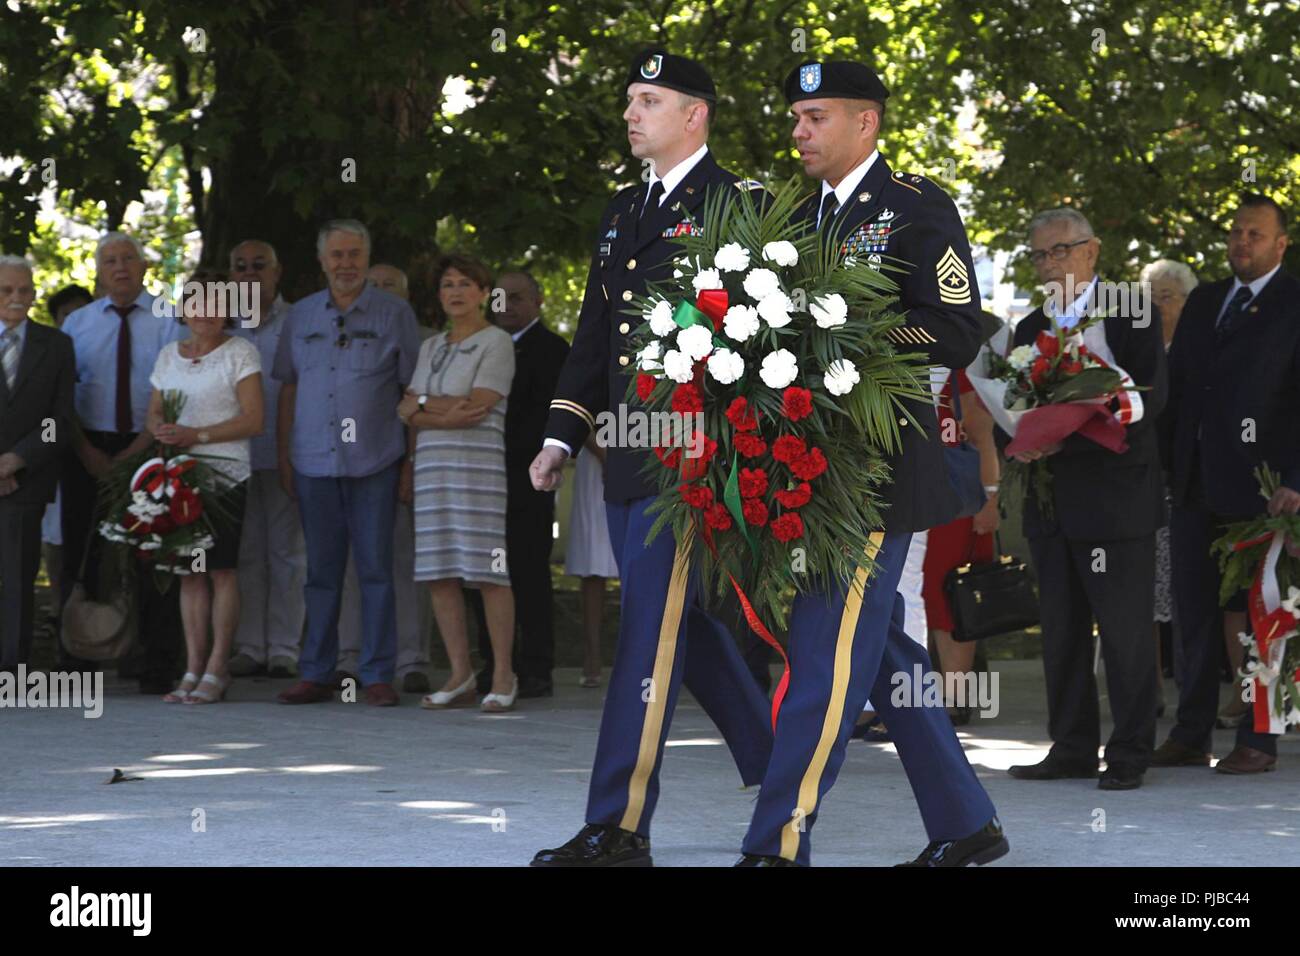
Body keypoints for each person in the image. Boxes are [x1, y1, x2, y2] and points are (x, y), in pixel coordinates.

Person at [729, 60, 1004, 867]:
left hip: (875, 476)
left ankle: (776, 842)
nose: (799, 132)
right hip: (804, 466)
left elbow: (956, 328)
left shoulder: (916, 207)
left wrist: (845, 333)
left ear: (865, 123)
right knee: (881, 652)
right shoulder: (793, 215)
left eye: (816, 117)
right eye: (796, 118)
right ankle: (966, 824)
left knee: (823, 656)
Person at [529, 49, 776, 867]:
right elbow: (596, 337)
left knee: (646, 635)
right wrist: (561, 433)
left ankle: (618, 825)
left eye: (649, 100)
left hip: (696, 459)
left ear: (694, 114)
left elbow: (768, 339)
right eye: (629, 99)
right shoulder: (621, 208)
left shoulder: (741, 205)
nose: (632, 113)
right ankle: (780, 768)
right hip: (629, 456)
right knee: (682, 619)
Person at [1001, 208, 1167, 791]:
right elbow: (1009, 408)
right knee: (1063, 631)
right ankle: (1071, 746)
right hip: (1051, 501)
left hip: (1116, 498)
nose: (1050, 264)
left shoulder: (1132, 309)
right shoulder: (1026, 331)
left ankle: (1129, 752)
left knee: (1123, 634)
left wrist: (1090, 418)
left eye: (1060, 251)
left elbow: (1152, 396)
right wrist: (1021, 442)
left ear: (1092, 252)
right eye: (1040, 255)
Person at [1156, 193, 1300, 774]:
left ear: (1281, 244)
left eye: (1256, 234)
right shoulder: (1206, 301)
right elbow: (1178, 389)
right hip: (1194, 483)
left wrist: (1296, 480)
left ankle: (1259, 738)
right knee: (1192, 612)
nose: (1242, 242)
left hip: (1265, 491)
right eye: (1237, 232)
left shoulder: (1295, 303)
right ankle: (1191, 731)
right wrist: (1166, 466)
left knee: (1263, 612)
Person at [273, 219, 421, 708]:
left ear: (366, 256)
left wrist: (409, 463)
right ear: (321, 261)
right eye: (336, 255)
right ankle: (315, 671)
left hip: (376, 459)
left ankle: (377, 673)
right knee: (320, 571)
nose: (346, 264)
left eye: (354, 254)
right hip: (312, 461)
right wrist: (284, 455)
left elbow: (411, 393)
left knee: (377, 569)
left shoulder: (395, 313)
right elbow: (288, 388)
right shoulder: (299, 316)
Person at [60, 232, 185, 693]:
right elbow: (63, 396)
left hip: (149, 443)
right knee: (83, 550)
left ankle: (155, 662)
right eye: (110, 260)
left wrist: (138, 451)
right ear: (98, 270)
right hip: (86, 446)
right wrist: (86, 451)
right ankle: (79, 658)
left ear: (143, 266)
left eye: (128, 259)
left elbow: (172, 389)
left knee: (152, 554)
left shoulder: (168, 319)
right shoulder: (78, 324)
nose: (120, 267)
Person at [398, 254, 518, 711]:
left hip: (479, 472)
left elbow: (480, 405)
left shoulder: (497, 341)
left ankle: (504, 674)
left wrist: (424, 408)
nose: (455, 291)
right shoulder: (431, 346)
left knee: (489, 572)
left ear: (484, 292)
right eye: (447, 284)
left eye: (465, 283)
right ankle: (460, 673)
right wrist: (435, 408)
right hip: (431, 470)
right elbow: (405, 407)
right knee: (439, 573)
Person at [147, 269, 263, 703]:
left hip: (226, 477)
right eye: (197, 302)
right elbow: (153, 414)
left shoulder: (241, 353)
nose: (206, 312)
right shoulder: (167, 355)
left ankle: (218, 667)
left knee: (221, 570)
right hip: (178, 478)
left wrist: (198, 436)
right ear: (184, 307)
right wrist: (162, 432)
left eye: (216, 303)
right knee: (190, 575)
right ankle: (192, 668)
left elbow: (254, 420)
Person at [469, 270, 570, 699]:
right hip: (481, 476)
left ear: (539, 300)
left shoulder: (552, 350)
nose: (506, 305)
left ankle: (536, 668)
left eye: (517, 297)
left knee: (528, 572)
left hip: (529, 478)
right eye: (498, 297)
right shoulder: (479, 344)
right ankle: (494, 664)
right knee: (484, 573)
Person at [333, 262, 433, 694]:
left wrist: (410, 464)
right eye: (372, 285)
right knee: (357, 563)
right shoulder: (344, 334)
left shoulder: (430, 343)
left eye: (389, 286)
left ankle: (411, 659)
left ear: (406, 295)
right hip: (349, 466)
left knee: (406, 562)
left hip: (404, 462)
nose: (379, 293)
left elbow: (420, 410)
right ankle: (350, 657)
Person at [227, 239, 305, 680]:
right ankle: (249, 647)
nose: (249, 273)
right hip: (231, 460)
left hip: (288, 456)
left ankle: (285, 648)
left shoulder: (299, 320)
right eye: (240, 267)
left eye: (259, 266)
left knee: (288, 555)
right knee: (244, 556)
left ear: (277, 273)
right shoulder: (218, 324)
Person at [0, 256, 75, 673]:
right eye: (6, 290)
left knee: (17, 577)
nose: (16, 298)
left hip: (26, 480)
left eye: (24, 290)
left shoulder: (56, 345)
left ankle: (11, 670)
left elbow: (58, 419)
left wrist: (17, 460)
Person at [923, 367, 1001, 725]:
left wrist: (990, 499)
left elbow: (982, 434)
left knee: (950, 600)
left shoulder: (953, 374)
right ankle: (928, 699)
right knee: (922, 599)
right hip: (922, 503)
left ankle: (953, 700)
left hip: (957, 504)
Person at [1141, 258, 1198, 719]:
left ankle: (1200, 692)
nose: (1160, 305)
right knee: (1145, 591)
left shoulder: (1198, 345)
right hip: (1141, 482)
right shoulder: (1136, 344)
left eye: (1169, 296)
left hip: (1186, 484)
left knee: (1184, 591)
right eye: (1152, 296)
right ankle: (1153, 690)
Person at [37, 285, 90, 645]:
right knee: (55, 543)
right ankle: (59, 615)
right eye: (66, 314)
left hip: (92, 450)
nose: (73, 320)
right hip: (49, 458)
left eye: (80, 312)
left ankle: (102, 628)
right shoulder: (45, 352)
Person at [564, 433, 619, 688]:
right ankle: (592, 654)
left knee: (638, 563)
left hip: (640, 446)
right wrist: (606, 455)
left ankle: (638, 657)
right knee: (593, 565)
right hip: (597, 456)